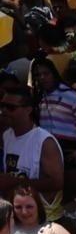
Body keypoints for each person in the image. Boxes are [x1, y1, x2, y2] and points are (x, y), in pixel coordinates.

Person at [0, 85, 64, 220]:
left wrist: (14, 182)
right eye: (2, 106)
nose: (4, 111)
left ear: (28, 110)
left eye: (11, 107)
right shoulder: (7, 135)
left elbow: (57, 183)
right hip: (17, 216)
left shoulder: (45, 142)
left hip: (44, 219)